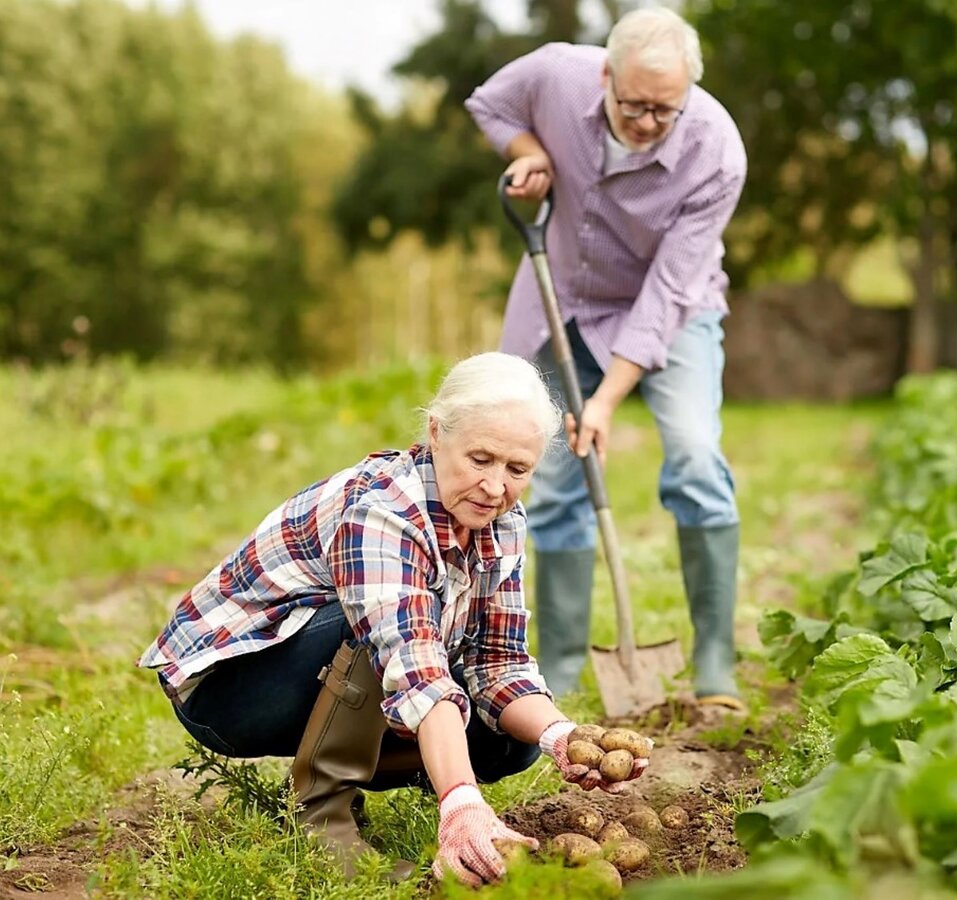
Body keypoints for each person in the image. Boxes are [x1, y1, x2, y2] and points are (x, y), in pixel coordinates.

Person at [138, 352, 647, 887]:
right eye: (480, 459)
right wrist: (461, 802)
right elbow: (414, 665)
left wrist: (561, 736)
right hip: (229, 689)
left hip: (333, 675)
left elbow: (498, 662)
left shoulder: (502, 522)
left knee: (512, 741)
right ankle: (319, 817)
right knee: (372, 630)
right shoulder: (383, 510)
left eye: (517, 469)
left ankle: (368, 773)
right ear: (435, 433)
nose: (496, 487)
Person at [466, 7, 747, 709]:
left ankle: (713, 658)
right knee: (556, 475)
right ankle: (556, 666)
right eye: (634, 105)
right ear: (605, 76)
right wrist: (528, 152)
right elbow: (491, 103)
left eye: (665, 109)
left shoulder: (716, 151)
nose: (649, 122)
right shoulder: (558, 73)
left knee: (693, 455)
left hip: (672, 312)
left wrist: (608, 398)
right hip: (566, 300)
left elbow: (668, 292)